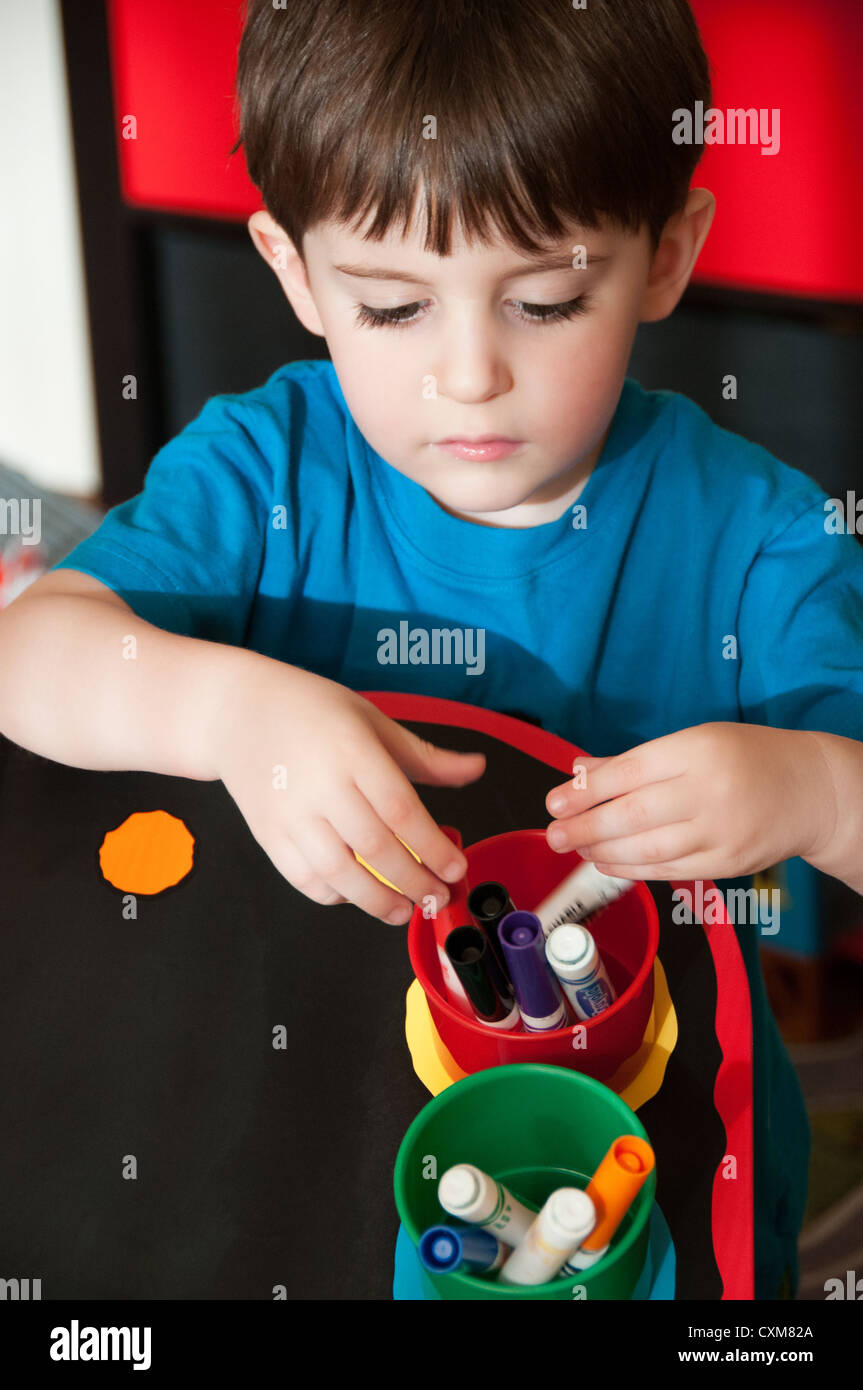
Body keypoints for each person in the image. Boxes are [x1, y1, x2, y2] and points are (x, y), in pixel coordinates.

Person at [1, 0, 860, 1300]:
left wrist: (816, 789)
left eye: (548, 299)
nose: (470, 375)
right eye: (393, 307)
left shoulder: (759, 540)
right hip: (300, 1094)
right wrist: (230, 715)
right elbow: (31, 658)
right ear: (294, 274)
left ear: (668, 253)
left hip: (641, 1135)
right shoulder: (264, 467)